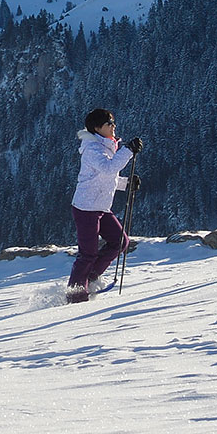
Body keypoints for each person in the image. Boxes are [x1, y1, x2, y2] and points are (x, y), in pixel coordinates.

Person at [68, 109, 139, 301]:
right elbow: (108, 169)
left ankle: (88, 279)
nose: (113, 126)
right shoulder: (92, 149)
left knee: (120, 242)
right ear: (97, 128)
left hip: (100, 207)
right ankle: (75, 294)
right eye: (109, 123)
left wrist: (126, 184)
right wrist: (128, 151)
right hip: (86, 209)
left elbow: (104, 178)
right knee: (88, 254)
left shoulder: (106, 147)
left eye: (113, 123)